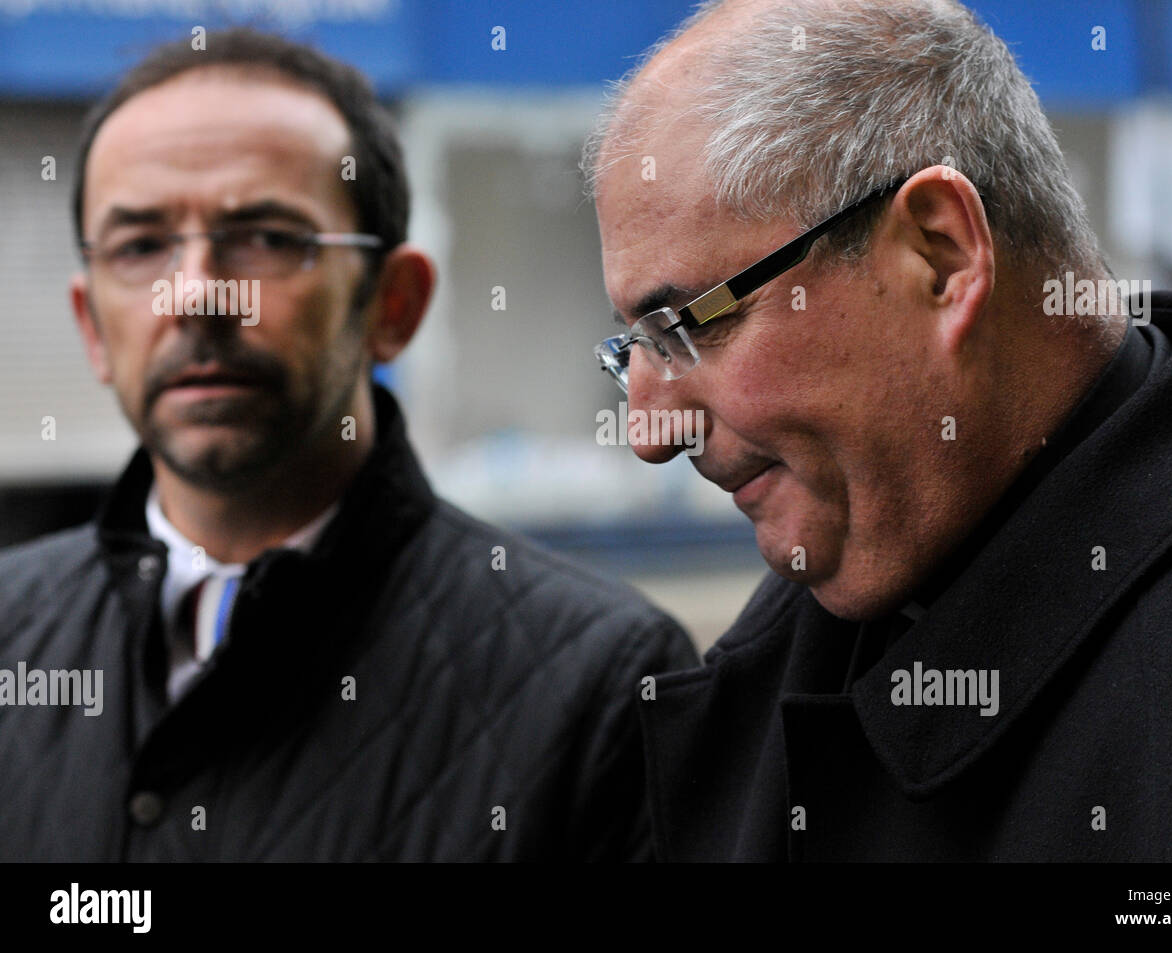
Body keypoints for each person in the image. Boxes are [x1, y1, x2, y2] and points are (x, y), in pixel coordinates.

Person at [586, 0, 1172, 861]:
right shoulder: (780, 655)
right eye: (634, 348)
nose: (650, 431)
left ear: (942, 256)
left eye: (686, 326)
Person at [0, 28, 697, 862]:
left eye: (265, 236)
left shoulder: (603, 686)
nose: (196, 297)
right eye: (141, 245)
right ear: (90, 326)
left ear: (393, 304)